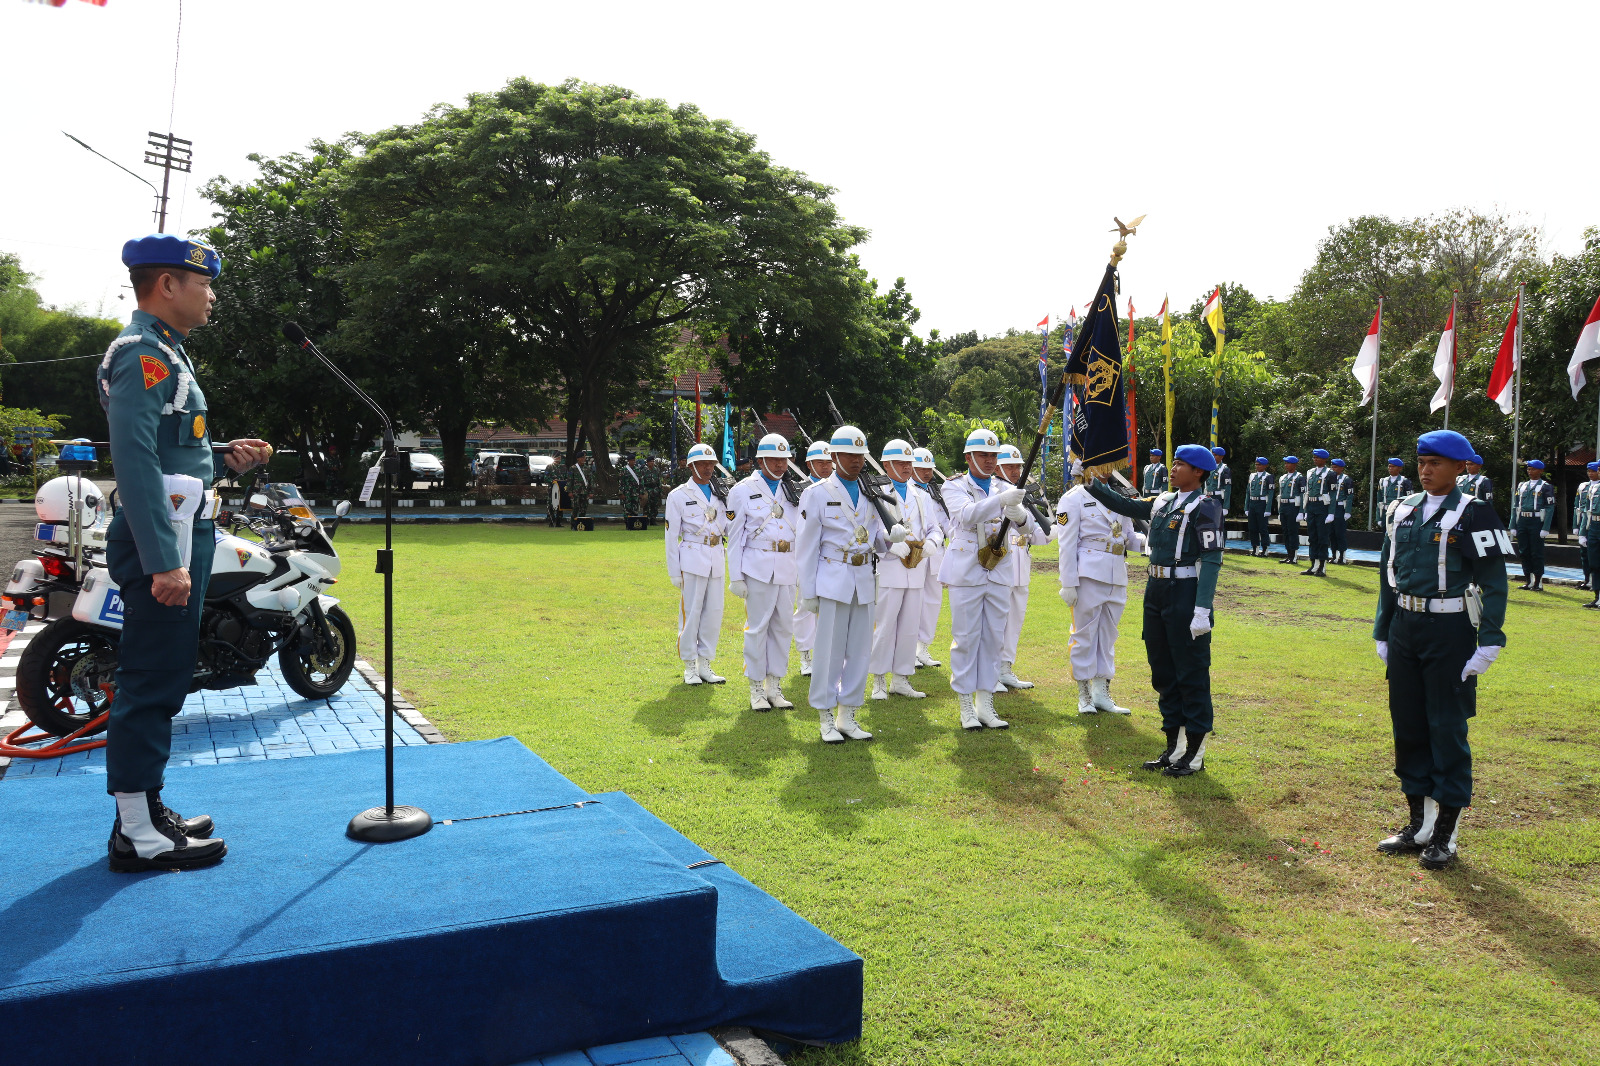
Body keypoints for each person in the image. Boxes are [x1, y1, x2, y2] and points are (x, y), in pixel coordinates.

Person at [101, 234, 273, 872]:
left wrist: (221, 453)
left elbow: (168, 444)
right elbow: (136, 460)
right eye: (203, 283)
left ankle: (145, 810)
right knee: (151, 682)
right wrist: (162, 560)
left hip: (181, 533)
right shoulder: (142, 354)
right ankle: (139, 834)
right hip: (165, 541)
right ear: (168, 284)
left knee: (166, 676)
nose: (212, 295)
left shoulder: (166, 352)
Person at [1373, 430, 1510, 869]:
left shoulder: (1475, 512)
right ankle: (1420, 823)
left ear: (1459, 467)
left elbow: (1494, 583)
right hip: (1406, 626)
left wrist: (1489, 640)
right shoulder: (1402, 508)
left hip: (1449, 629)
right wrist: (1383, 630)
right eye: (1421, 462)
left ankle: (1447, 833)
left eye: (1436, 463)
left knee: (1445, 725)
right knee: (1408, 723)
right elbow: (1386, 576)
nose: (1426, 470)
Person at [1084, 445, 1225, 774]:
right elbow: (1126, 504)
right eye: (1174, 463)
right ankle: (1173, 747)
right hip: (1157, 590)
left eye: (1181, 465)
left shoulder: (1206, 507)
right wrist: (1094, 484)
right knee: (1163, 670)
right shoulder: (1162, 501)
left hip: (1185, 591)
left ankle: (1195, 751)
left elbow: (1212, 560)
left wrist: (1202, 609)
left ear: (1199, 473)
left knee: (1190, 672)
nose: (1173, 469)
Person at [798, 426, 904, 742]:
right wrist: (808, 592)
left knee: (859, 651)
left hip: (863, 578)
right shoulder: (816, 493)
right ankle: (826, 717)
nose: (856, 461)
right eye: (849, 455)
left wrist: (890, 538)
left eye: (860, 455)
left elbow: (875, 540)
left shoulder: (871, 493)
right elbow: (805, 547)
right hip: (831, 579)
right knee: (829, 651)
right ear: (834, 456)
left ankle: (849, 715)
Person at [938, 428, 1027, 730]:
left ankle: (985, 703)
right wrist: (1002, 500)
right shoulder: (953, 486)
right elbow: (966, 516)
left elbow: (1026, 531)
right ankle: (965, 705)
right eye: (983, 455)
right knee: (965, 638)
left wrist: (1021, 515)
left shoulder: (1003, 486)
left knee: (993, 637)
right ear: (969, 457)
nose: (989, 461)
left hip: (999, 568)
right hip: (966, 569)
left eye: (993, 456)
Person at [1056, 468, 1141, 715]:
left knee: (1108, 635)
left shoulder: (1119, 497)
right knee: (1084, 634)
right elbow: (1067, 542)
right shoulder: (1073, 498)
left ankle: (1101, 692)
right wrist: (1068, 582)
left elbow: (1128, 538)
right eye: (1099, 464)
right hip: (1089, 573)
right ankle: (1084, 694)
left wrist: (1156, 538)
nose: (1104, 470)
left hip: (1116, 572)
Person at [726, 433, 800, 711]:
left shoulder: (794, 489)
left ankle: (774, 686)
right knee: (757, 629)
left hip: (787, 567)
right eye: (774, 459)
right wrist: (735, 576)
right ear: (760, 460)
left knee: (783, 628)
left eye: (784, 459)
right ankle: (756, 688)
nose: (781, 465)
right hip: (757, 568)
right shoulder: (742, 490)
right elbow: (734, 537)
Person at [868, 440, 935, 700]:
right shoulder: (876, 493)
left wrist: (933, 542)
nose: (907, 468)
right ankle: (879, 681)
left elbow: (935, 528)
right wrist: (887, 544)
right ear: (886, 465)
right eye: (900, 463)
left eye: (909, 463)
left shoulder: (922, 495)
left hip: (916, 567)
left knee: (909, 626)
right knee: (885, 625)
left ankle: (901, 678)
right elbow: (869, 529)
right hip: (890, 568)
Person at [665, 442, 730, 685]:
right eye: (702, 464)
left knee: (714, 613)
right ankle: (689, 666)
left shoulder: (721, 494)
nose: (707, 468)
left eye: (711, 464)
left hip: (715, 556)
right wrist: (674, 571)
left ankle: (705, 664)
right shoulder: (679, 495)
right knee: (691, 613)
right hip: (691, 557)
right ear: (691, 466)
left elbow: (730, 525)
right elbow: (671, 537)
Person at [994, 443, 1049, 690]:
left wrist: (1055, 529)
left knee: (1014, 621)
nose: (1015, 471)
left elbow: (1039, 535)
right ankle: (991, 670)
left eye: (1018, 466)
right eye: (1009, 466)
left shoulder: (1025, 491)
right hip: (999, 565)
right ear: (998, 467)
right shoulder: (995, 491)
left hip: (1021, 566)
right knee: (995, 621)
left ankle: (1006, 668)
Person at [794, 440, 833, 676]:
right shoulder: (800, 489)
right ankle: (805, 656)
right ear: (809, 464)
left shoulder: (834, 488)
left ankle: (823, 654)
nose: (827, 467)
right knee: (805, 607)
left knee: (828, 609)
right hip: (806, 556)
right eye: (821, 462)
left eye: (829, 462)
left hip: (830, 559)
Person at [911, 447, 949, 669]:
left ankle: (923, 648)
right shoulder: (907, 491)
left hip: (935, 553)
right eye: (921, 468)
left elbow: (945, 522)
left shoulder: (935, 493)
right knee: (913, 601)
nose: (926, 472)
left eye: (929, 469)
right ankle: (909, 648)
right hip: (914, 553)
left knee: (933, 601)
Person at [1512, 459, 1556, 591]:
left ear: (1541, 471)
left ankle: (1538, 581)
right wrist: (1513, 525)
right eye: (1528, 469)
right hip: (1523, 521)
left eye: (1533, 469)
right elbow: (1516, 506)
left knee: (1536, 552)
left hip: (1536, 521)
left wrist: (1546, 527)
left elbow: (1550, 507)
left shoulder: (1545, 486)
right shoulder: (1522, 486)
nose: (1530, 471)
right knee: (1524, 551)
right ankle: (1529, 580)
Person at [1302, 448, 1336, 577]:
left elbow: (1333, 494)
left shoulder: (1330, 473)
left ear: (1324, 459)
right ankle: (1313, 564)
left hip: (1323, 507)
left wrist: (1331, 513)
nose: (1315, 459)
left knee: (1322, 537)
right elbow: (1307, 492)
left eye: (1318, 457)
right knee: (1312, 537)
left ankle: (1322, 566)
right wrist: (1305, 510)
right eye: (1314, 457)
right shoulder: (1310, 472)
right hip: (1311, 506)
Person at [1276, 456, 1306, 566]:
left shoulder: (1299, 477)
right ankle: (1289, 555)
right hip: (1284, 506)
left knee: (1293, 532)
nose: (1286, 465)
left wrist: (1301, 511)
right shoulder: (1283, 477)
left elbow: (1303, 495)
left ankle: (1294, 556)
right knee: (1286, 532)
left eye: (1288, 463)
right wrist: (1279, 511)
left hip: (1293, 506)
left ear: (1294, 465)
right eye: (1285, 463)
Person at [1578, 462, 1600, 605]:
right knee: (1594, 563)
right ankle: (1597, 597)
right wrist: (1582, 533)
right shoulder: (1593, 488)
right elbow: (1587, 511)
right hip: (1594, 526)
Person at [1244, 457, 1275, 557]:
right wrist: (1246, 507)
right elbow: (1248, 492)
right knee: (1252, 528)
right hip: (1253, 503)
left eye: (1259, 464)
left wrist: (1268, 509)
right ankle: (1255, 548)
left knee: (1263, 528)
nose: (1257, 466)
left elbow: (1270, 494)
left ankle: (1265, 549)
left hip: (1262, 503)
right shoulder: (1252, 476)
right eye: (1256, 464)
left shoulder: (1268, 477)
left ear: (1265, 466)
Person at [1330, 458, 1355, 564]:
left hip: (1340, 508)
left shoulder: (1346, 480)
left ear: (1341, 468)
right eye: (1332, 467)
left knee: (1340, 533)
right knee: (1331, 533)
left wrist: (1347, 511)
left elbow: (1350, 496)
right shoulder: (1330, 478)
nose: (1333, 469)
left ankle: (1342, 557)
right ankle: (1334, 555)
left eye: (1335, 467)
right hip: (1331, 507)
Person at [619, 453, 645, 527]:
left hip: (635, 493)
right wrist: (621, 493)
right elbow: (621, 482)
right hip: (626, 493)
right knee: (627, 509)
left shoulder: (638, 470)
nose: (633, 462)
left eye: (634, 460)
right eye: (631, 460)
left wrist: (641, 493)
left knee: (635, 508)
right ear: (628, 461)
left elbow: (641, 482)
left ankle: (634, 523)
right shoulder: (624, 470)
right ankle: (627, 523)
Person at [1205, 446, 1233, 515]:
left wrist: (1225, 506)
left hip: (1218, 499)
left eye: (1215, 455)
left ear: (1221, 457)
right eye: (1212, 454)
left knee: (1218, 523)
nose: (1213, 456)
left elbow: (1227, 489)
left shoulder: (1224, 469)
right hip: (1207, 498)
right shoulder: (1208, 468)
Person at [568, 449, 592, 529]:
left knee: (584, 509)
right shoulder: (573, 468)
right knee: (575, 508)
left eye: (584, 457)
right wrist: (570, 491)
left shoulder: (587, 468)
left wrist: (591, 491)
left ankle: (581, 525)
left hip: (585, 492)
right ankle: (573, 525)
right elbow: (570, 480)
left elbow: (590, 480)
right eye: (581, 458)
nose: (583, 459)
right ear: (578, 458)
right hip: (576, 492)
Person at [643, 457, 664, 523]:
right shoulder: (644, 470)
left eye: (653, 461)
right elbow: (641, 482)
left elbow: (659, 481)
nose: (652, 463)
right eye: (650, 461)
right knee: (646, 506)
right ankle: (646, 520)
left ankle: (653, 519)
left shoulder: (656, 470)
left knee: (654, 506)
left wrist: (660, 491)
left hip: (655, 490)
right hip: (647, 490)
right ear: (647, 462)